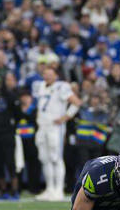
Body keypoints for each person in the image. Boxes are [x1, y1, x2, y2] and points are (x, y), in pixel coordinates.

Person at [32, 66, 82, 201]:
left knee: (56, 158)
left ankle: (58, 190)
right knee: (44, 158)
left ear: (56, 75)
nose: (47, 76)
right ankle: (49, 189)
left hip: (55, 127)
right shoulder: (41, 86)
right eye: (45, 74)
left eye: (49, 74)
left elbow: (76, 102)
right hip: (42, 126)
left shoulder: (62, 86)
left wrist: (64, 117)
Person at [16, 90, 41, 194]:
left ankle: (34, 188)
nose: (25, 99)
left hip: (32, 141)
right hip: (19, 141)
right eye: (23, 96)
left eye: (27, 96)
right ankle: (18, 188)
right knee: (19, 164)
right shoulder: (16, 110)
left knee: (33, 165)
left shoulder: (35, 110)